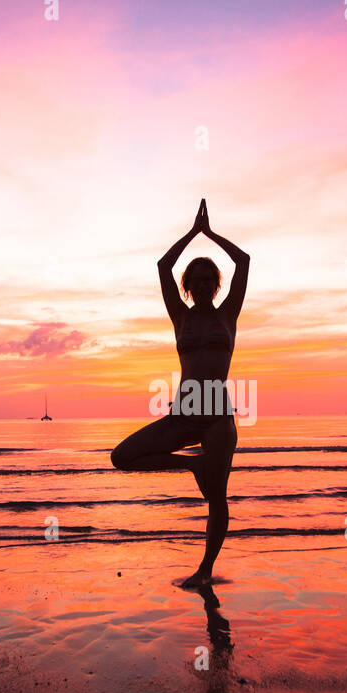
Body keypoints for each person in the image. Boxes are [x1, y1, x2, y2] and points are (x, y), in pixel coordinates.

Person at [110, 199, 249, 587]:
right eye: (197, 280)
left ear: (216, 285)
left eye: (210, 279)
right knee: (122, 456)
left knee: (217, 499)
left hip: (218, 416)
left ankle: (204, 571)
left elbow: (245, 261)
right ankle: (193, 465)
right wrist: (191, 234)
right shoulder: (181, 316)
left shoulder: (228, 314)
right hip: (183, 412)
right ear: (187, 286)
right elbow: (162, 267)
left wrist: (211, 234)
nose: (204, 285)